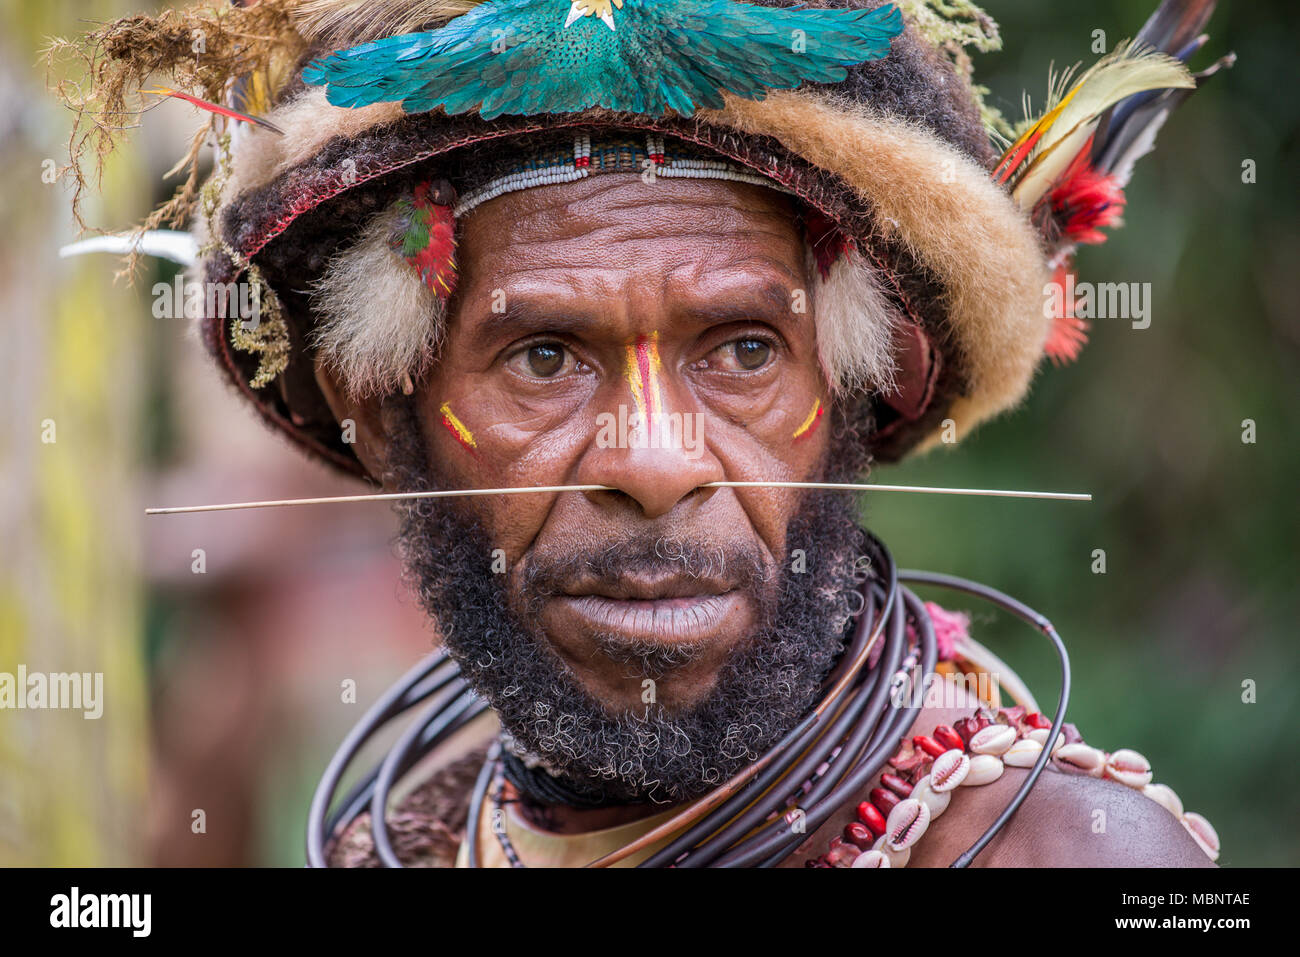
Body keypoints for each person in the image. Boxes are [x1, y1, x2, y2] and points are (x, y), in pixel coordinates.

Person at [57, 0, 1230, 867]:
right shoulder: (403, 843)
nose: (658, 463)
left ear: (862, 396)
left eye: (743, 351)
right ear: (379, 414)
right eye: (545, 358)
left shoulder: (1069, 859)